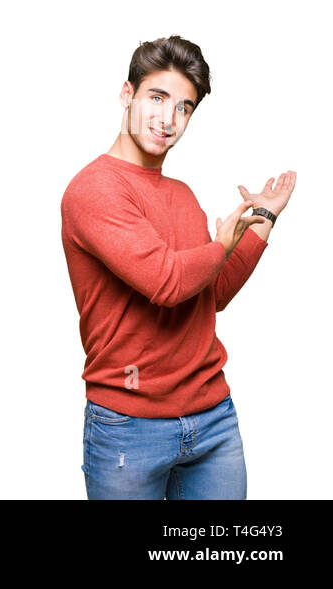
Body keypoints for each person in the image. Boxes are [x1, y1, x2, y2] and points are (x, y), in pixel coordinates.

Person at [60, 35, 295, 499]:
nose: (168, 119)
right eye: (157, 97)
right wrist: (222, 243)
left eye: (184, 107)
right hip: (129, 424)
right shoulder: (94, 189)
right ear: (127, 94)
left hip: (213, 418)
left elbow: (212, 293)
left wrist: (263, 221)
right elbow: (167, 282)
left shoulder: (183, 195)